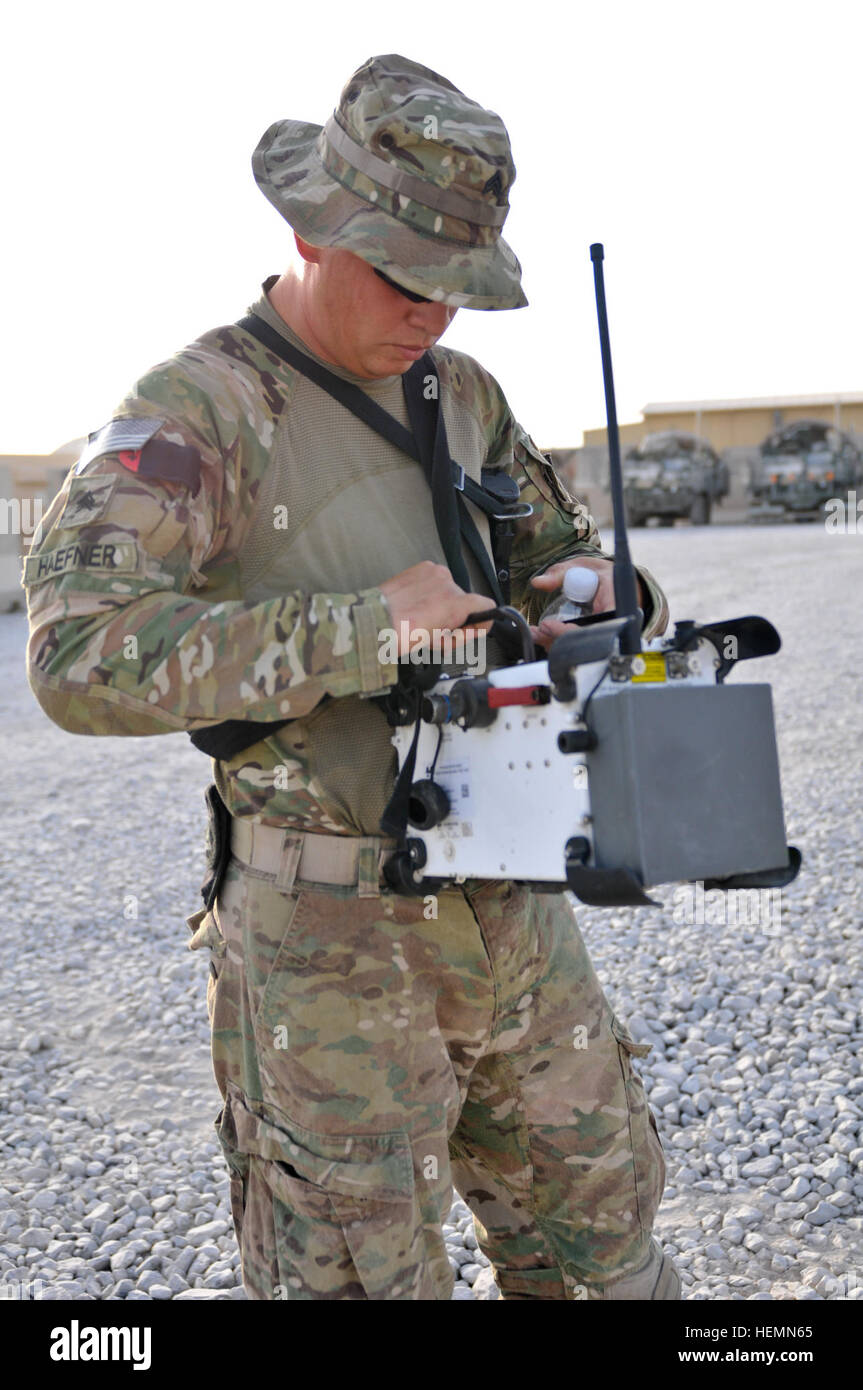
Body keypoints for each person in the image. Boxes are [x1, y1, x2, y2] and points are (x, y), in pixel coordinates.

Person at [24, 53, 679, 1301]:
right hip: (328, 944)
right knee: (360, 1278)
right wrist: (359, 631)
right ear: (309, 229)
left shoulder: (462, 391)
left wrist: (595, 601)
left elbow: (569, 557)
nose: (434, 309)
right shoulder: (197, 414)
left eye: (458, 284)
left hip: (514, 899)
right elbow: (75, 656)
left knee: (599, 1242)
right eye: (406, 275)